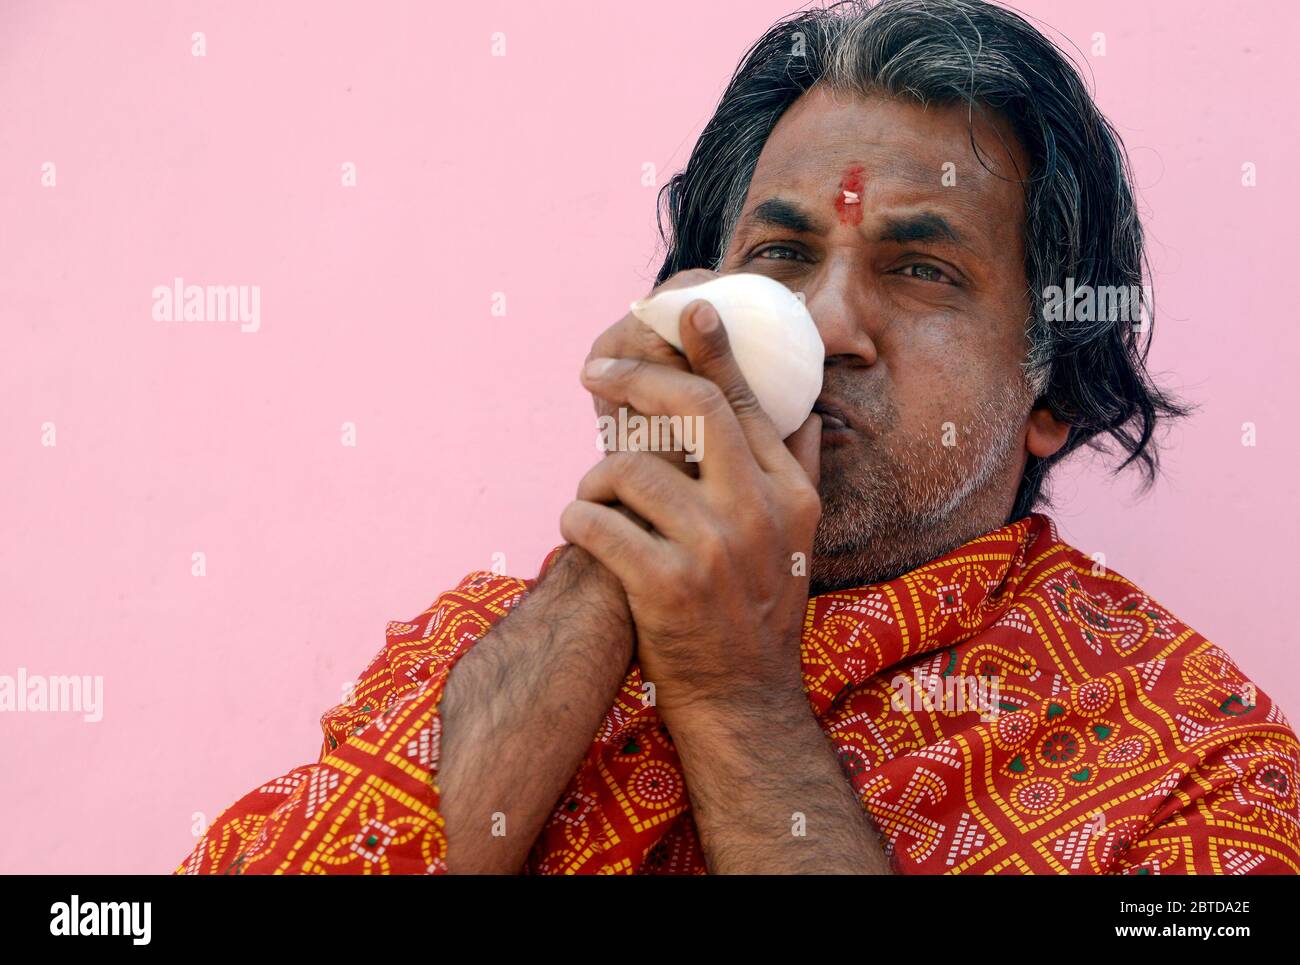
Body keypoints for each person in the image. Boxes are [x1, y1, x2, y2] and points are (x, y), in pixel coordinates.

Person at [176, 0, 1300, 875]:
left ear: (1049, 381)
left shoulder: (1197, 764)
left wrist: (731, 690)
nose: (825, 324)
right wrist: (612, 564)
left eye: (921, 269)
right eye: (779, 256)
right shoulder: (478, 644)